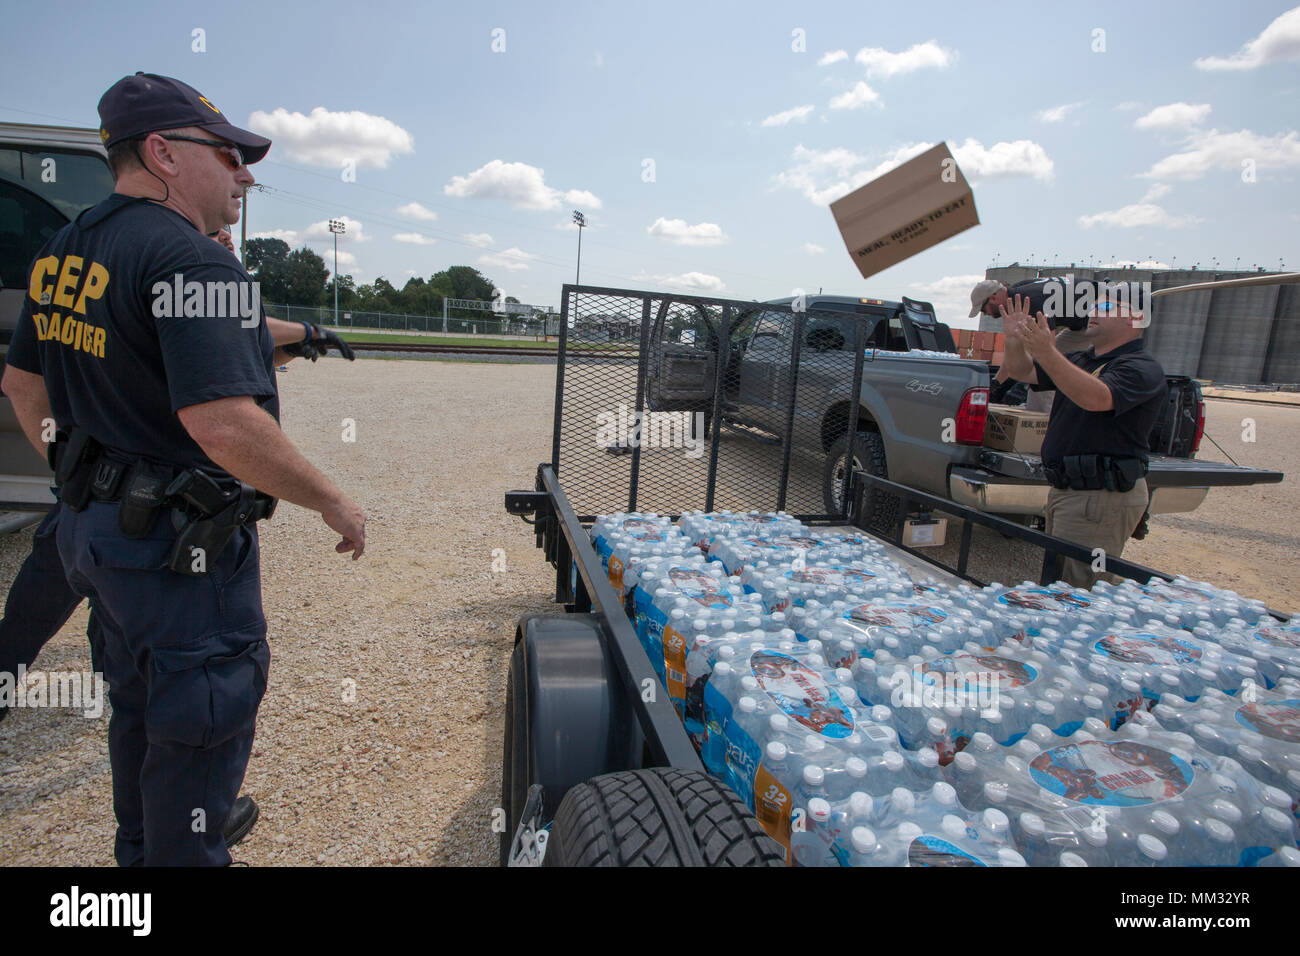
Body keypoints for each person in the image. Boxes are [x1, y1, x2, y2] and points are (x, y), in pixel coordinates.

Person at [0, 72, 366, 866]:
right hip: (177, 556)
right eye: (229, 155)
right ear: (163, 153)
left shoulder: (65, 249)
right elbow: (224, 427)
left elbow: (22, 386)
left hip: (100, 542)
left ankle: (141, 856)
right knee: (200, 724)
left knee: (138, 709)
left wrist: (80, 475)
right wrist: (333, 500)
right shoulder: (190, 259)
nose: (244, 173)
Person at [995, 284, 1166, 589]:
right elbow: (1023, 372)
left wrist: (1047, 351)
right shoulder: (1082, 360)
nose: (1092, 313)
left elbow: (1097, 398)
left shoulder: (1141, 367)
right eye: (1092, 307)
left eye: (1104, 308)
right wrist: (1013, 339)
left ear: (1135, 319)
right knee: (1059, 582)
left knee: (1081, 589)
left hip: (1100, 496)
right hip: (1072, 492)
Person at [971, 276, 1091, 411]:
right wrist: (997, 383)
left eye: (983, 310)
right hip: (1080, 325)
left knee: (1041, 376)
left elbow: (1047, 352)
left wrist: (1026, 383)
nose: (985, 314)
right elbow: (1016, 353)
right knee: (1040, 369)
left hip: (1103, 319)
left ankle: (1039, 425)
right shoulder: (1018, 292)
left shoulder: (1031, 302)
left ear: (993, 298)